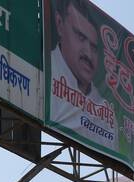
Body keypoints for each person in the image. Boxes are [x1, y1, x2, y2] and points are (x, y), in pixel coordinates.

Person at [48, 0, 117, 150]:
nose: (88, 54)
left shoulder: (106, 115)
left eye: (94, 47)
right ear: (59, 24)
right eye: (80, 37)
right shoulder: (43, 74)